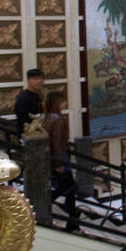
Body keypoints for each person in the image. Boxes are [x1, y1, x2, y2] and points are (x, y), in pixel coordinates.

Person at [44, 90, 81, 232]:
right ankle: (72, 218)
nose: (66, 103)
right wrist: (59, 163)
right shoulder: (57, 120)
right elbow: (57, 142)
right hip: (60, 159)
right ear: (58, 102)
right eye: (64, 101)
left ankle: (73, 218)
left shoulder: (48, 117)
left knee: (67, 187)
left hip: (56, 158)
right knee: (69, 188)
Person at [15, 68, 45, 138]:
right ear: (28, 80)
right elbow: (22, 118)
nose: (39, 81)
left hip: (37, 132)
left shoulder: (36, 95)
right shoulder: (24, 97)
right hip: (28, 134)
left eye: (41, 79)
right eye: (35, 79)